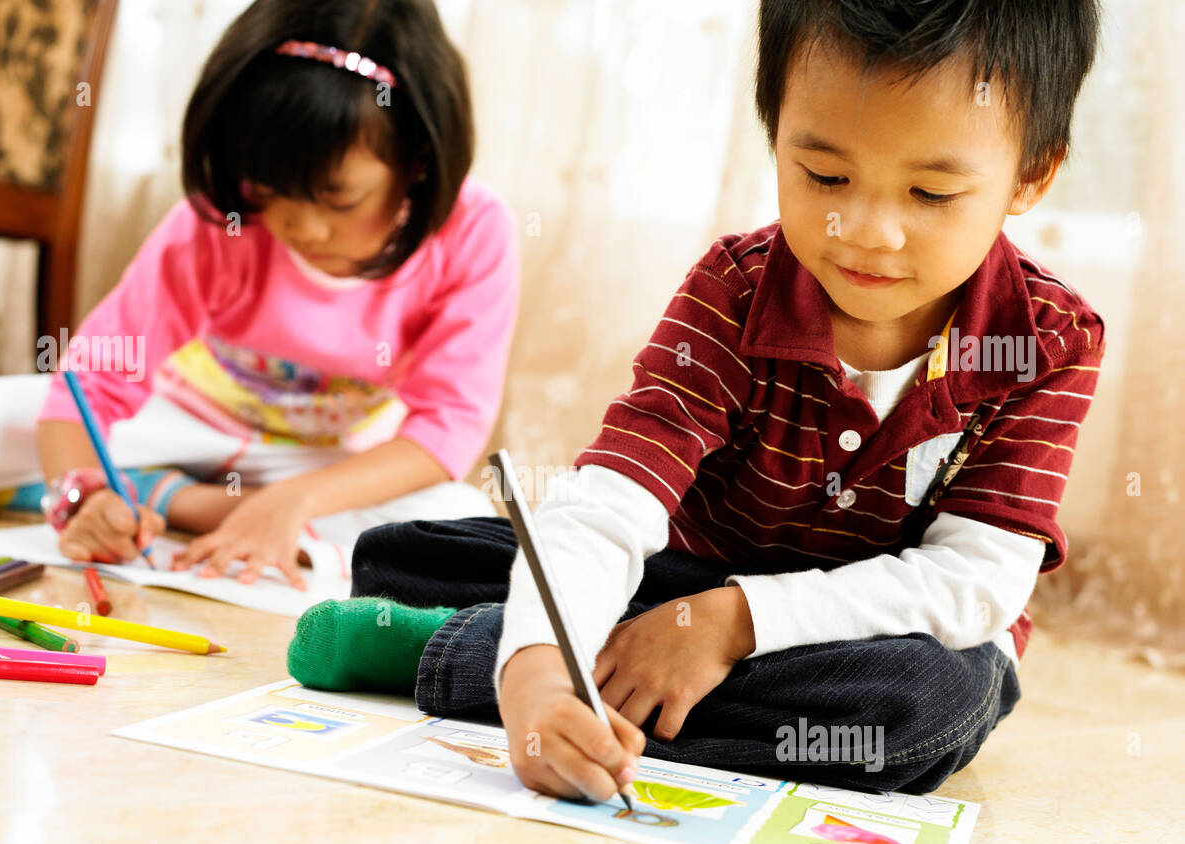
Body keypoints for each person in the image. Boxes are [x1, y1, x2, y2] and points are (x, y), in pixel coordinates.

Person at [289, 0, 1105, 795]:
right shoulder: (734, 289)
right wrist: (543, 670)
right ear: (775, 130)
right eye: (823, 174)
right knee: (418, 550)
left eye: (930, 195)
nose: (866, 230)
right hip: (681, 581)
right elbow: (613, 500)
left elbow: (975, 582)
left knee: (924, 707)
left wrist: (730, 623)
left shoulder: (1050, 340)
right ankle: (545, 663)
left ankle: (456, 653)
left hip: (869, 634)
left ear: (1031, 174)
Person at [0, 0, 518, 590]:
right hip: (172, 420)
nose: (301, 228)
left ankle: (179, 502)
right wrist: (81, 492)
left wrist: (293, 499)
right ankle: (169, 496)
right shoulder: (222, 220)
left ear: (420, 159)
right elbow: (94, 382)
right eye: (270, 190)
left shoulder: (474, 230)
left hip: (314, 461)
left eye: (337, 197)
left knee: (460, 524)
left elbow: (447, 426)